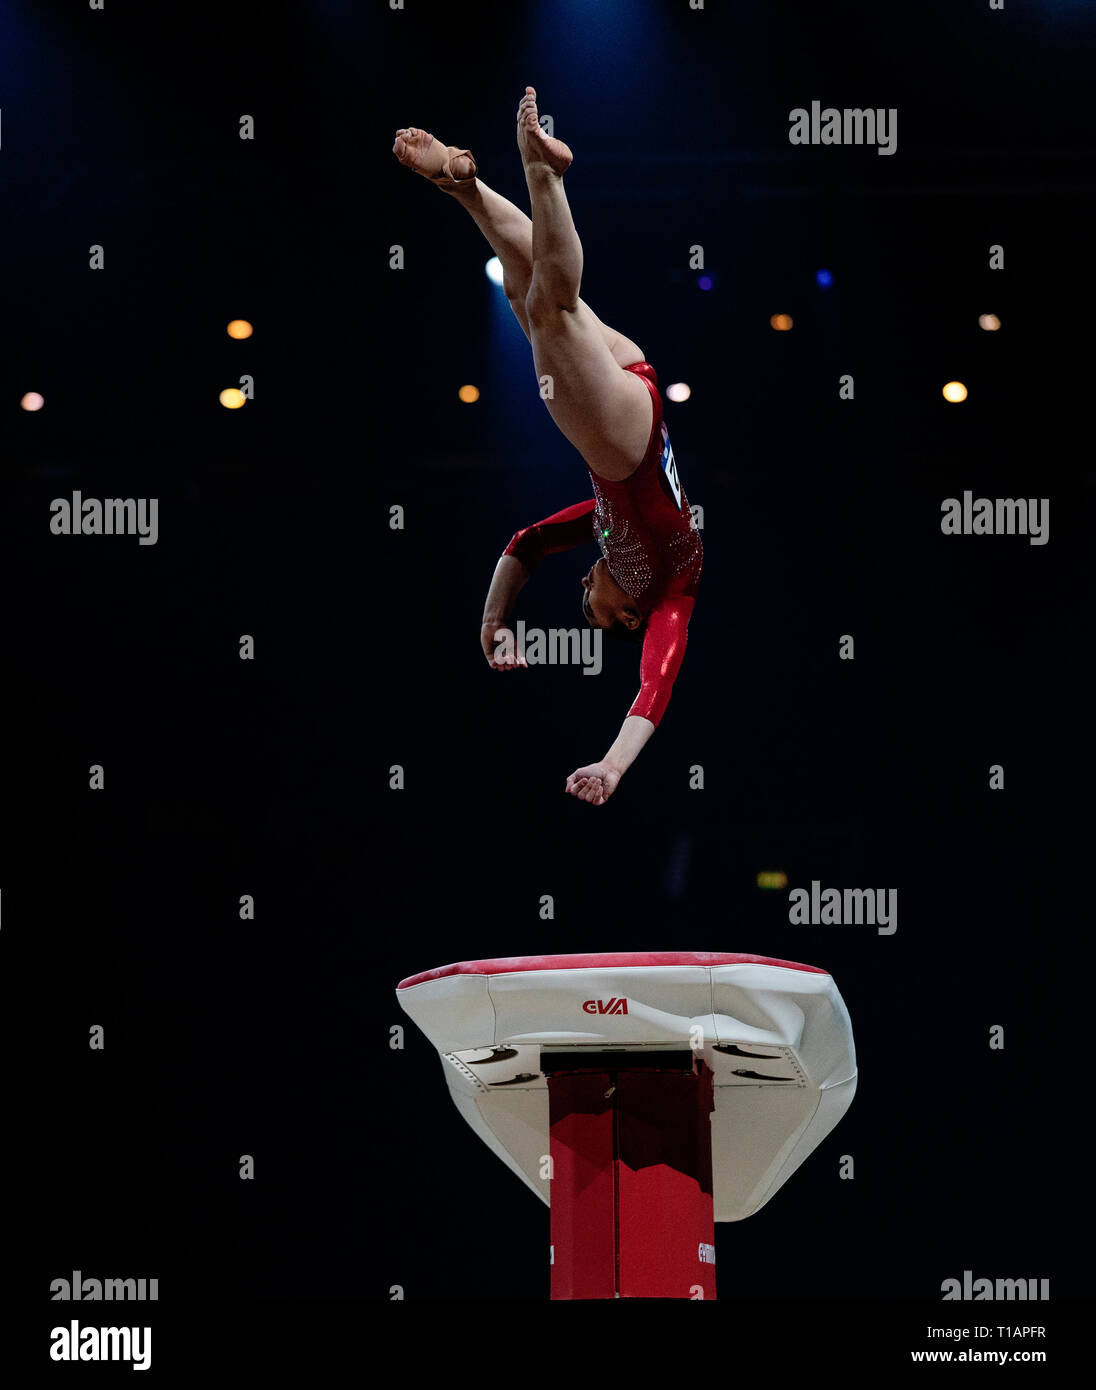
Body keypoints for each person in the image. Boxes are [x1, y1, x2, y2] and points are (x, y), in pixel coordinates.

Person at [393, 88, 702, 806]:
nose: (587, 585)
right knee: (549, 308)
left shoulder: (604, 532)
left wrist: (492, 622)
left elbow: (526, 542)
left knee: (523, 294)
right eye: (591, 605)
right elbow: (654, 688)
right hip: (624, 436)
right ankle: (545, 174)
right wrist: (613, 767)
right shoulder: (669, 599)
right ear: (627, 616)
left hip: (629, 387)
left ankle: (464, 184)